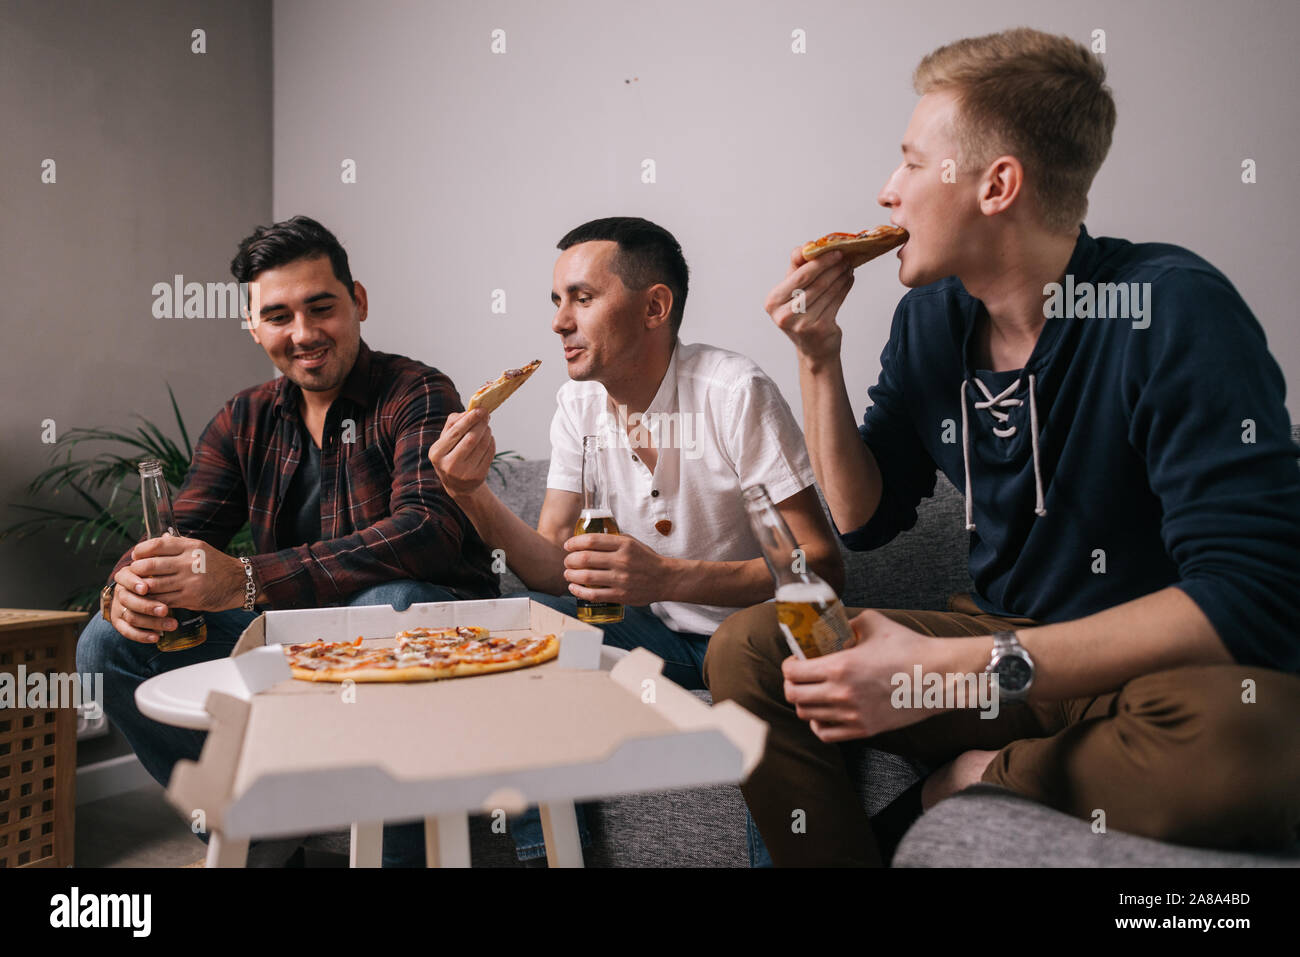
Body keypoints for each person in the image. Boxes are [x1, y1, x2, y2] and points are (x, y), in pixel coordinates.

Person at [704, 27, 1300, 867]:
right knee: (751, 648)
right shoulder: (930, 320)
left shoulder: (1171, 308)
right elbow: (864, 517)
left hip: (1145, 675)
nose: (887, 192)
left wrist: (959, 673)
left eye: (912, 163)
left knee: (1253, 743)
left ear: (997, 185)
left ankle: (972, 784)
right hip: (1000, 647)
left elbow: (1248, 598)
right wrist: (816, 358)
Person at [76, 215, 498, 867]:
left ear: (358, 301)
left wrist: (245, 580)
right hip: (293, 638)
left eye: (320, 307)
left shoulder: (417, 391)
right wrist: (129, 587)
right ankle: (260, 827)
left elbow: (426, 532)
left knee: (385, 605)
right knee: (106, 644)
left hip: (422, 633)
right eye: (277, 316)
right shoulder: (243, 417)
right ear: (253, 325)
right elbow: (180, 538)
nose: (303, 333)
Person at [428, 216, 843, 863]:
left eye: (582, 298)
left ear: (655, 307)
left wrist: (668, 577)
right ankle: (555, 857)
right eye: (557, 301)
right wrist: (469, 492)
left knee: (747, 656)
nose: (559, 322)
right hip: (662, 639)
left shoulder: (734, 392)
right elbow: (551, 569)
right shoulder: (578, 406)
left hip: (761, 642)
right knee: (528, 627)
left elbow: (821, 565)